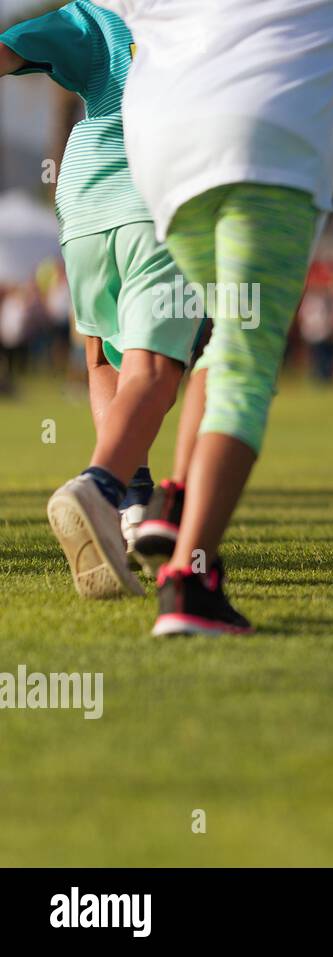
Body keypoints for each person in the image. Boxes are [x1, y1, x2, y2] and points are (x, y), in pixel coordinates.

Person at [98, 0, 333, 634]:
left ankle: (175, 502)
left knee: (226, 338)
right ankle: (190, 587)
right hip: (265, 145)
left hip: (163, 149)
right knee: (248, 364)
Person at [0, 1, 210, 597]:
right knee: (156, 365)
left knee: (101, 357)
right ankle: (102, 486)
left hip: (85, 200)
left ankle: (134, 499)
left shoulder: (94, 13)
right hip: (155, 198)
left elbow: (7, 50)